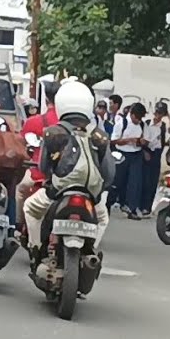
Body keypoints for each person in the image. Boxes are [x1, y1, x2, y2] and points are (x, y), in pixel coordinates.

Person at [23, 80, 113, 257]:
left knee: (30, 208)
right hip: (91, 195)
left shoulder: (52, 132)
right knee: (102, 218)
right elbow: (109, 174)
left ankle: (35, 248)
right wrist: (98, 191)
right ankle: (91, 251)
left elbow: (43, 167)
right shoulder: (100, 136)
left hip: (58, 191)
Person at [19, 80, 60, 231]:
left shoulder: (33, 121)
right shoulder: (72, 124)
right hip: (66, 176)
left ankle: (18, 226)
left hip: (37, 173)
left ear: (47, 99)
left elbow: (22, 147)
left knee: (20, 189)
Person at [113, 102, 149, 218]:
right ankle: (116, 202)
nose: (139, 120)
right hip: (122, 153)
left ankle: (132, 207)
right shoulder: (121, 123)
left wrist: (142, 142)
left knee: (135, 181)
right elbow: (114, 140)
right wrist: (129, 140)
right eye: (137, 117)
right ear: (132, 114)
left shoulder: (142, 125)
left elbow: (146, 139)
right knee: (119, 180)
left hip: (136, 154)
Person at [140, 101, 170, 217]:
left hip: (157, 154)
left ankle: (148, 207)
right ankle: (142, 205)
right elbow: (143, 139)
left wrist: (169, 117)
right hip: (147, 151)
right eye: (157, 113)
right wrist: (144, 151)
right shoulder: (147, 123)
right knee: (145, 180)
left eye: (161, 114)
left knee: (153, 181)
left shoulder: (162, 126)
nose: (158, 116)